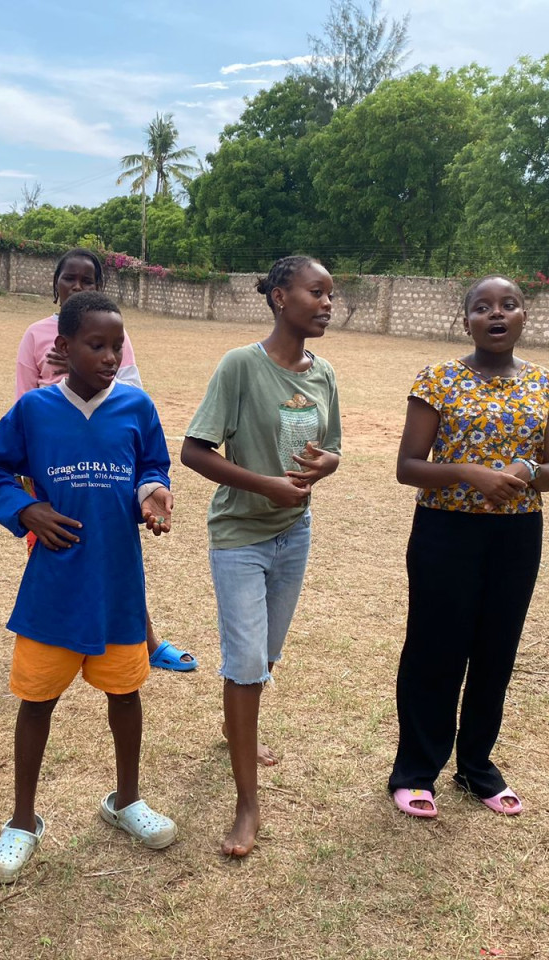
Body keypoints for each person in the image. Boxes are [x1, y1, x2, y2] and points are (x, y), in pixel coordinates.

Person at [0, 290, 177, 883]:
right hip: (55, 589)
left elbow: (153, 467)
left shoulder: (136, 408)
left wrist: (153, 494)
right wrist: (25, 510)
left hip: (117, 585)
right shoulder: (35, 410)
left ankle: (127, 800)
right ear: (61, 348)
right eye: (97, 344)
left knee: (126, 694)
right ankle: (21, 821)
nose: (111, 356)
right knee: (36, 702)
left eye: (118, 345)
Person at [388, 274, 549, 819]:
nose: (497, 314)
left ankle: (477, 768)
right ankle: (416, 771)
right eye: (483, 307)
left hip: (517, 534)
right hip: (445, 529)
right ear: (465, 320)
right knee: (434, 650)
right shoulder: (438, 380)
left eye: (508, 305)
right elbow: (408, 468)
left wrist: (527, 469)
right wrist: (473, 474)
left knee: (496, 651)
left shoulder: (546, 384)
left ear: (523, 316)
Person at [180, 255, 342, 858]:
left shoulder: (323, 374)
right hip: (240, 536)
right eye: (316, 292)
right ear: (279, 296)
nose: (327, 304)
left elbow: (333, 451)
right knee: (247, 661)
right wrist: (265, 484)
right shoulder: (240, 366)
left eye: (332, 295)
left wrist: (324, 466)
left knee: (265, 656)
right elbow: (194, 452)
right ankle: (248, 803)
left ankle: (235, 729)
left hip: (293, 534)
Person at [14, 248, 196, 672]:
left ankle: (141, 640)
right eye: (69, 279)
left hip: (108, 466)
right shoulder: (36, 335)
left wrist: (150, 487)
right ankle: (58, 639)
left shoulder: (116, 334)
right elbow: (24, 400)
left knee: (116, 560)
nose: (77, 287)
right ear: (54, 285)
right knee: (58, 554)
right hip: (57, 472)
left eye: (88, 280)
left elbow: (131, 389)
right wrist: (26, 498)